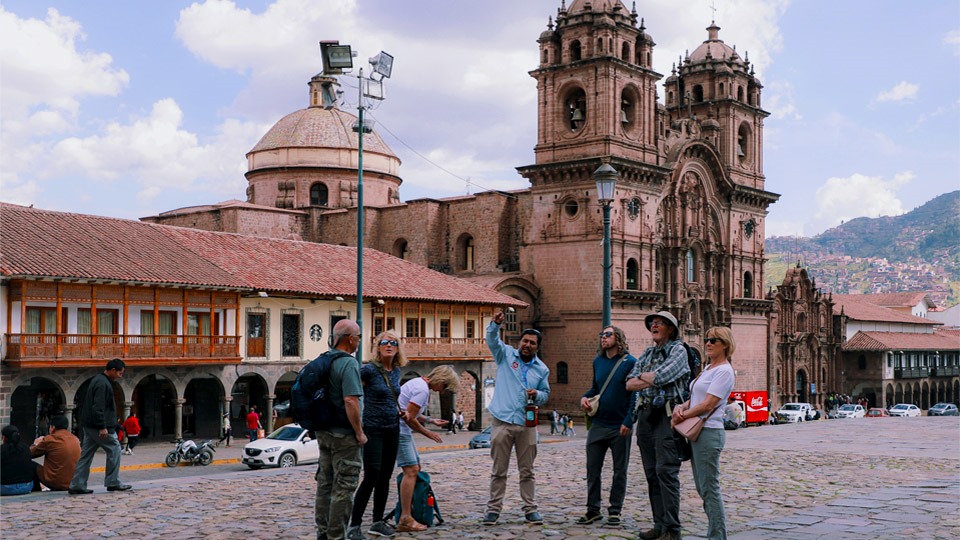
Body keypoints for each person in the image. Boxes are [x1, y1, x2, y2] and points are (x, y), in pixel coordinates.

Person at [626, 311, 691, 540]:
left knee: (666, 472)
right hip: (645, 416)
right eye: (652, 323)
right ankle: (659, 525)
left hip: (667, 416)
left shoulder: (678, 351)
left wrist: (644, 377)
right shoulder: (648, 352)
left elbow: (663, 377)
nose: (654, 325)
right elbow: (629, 384)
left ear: (670, 329)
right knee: (652, 473)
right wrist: (648, 377)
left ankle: (672, 530)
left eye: (659, 323)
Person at [482, 309, 550, 526]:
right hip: (502, 421)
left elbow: (546, 394)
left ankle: (530, 509)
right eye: (524, 341)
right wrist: (495, 324)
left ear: (537, 347)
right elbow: (492, 340)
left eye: (532, 343)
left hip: (526, 424)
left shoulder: (542, 370)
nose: (527, 345)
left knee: (527, 471)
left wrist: (536, 395)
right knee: (498, 470)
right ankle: (493, 510)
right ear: (519, 342)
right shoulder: (505, 355)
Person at [672, 327, 736, 540]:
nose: (708, 343)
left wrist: (683, 415)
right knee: (702, 487)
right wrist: (682, 406)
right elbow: (697, 396)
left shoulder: (724, 371)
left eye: (713, 340)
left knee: (709, 488)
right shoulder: (708, 368)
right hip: (698, 432)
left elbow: (709, 404)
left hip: (709, 433)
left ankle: (718, 536)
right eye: (707, 339)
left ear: (725, 344)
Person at [348, 332, 407, 540]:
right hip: (373, 429)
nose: (389, 345)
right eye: (384, 342)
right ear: (378, 348)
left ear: (398, 348)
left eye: (393, 342)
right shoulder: (369, 370)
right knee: (371, 475)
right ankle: (354, 525)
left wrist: (401, 411)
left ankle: (377, 522)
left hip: (393, 427)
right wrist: (357, 427)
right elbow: (352, 392)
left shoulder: (396, 371)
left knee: (384, 478)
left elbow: (393, 396)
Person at [577, 325, 638, 526]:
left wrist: (629, 420)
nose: (604, 337)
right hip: (598, 424)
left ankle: (615, 510)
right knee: (592, 470)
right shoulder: (598, 361)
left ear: (618, 338)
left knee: (620, 470)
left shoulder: (630, 362)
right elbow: (596, 387)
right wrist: (585, 397)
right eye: (602, 334)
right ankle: (593, 509)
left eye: (608, 334)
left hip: (619, 425)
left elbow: (634, 395)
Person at [315, 319, 367, 540]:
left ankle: (323, 532)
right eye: (359, 337)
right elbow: (351, 400)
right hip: (344, 435)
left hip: (324, 432)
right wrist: (359, 431)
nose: (359, 341)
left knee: (325, 485)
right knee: (343, 488)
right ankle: (337, 536)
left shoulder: (323, 360)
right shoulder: (349, 364)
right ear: (351, 338)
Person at [395, 365, 458, 532]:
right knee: (411, 470)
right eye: (445, 386)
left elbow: (412, 411)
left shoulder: (419, 384)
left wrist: (430, 420)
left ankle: (411, 509)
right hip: (400, 431)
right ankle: (405, 517)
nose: (443, 390)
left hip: (402, 431)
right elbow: (409, 418)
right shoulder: (422, 390)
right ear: (441, 380)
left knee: (415, 468)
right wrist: (427, 432)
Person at [69, 358, 132, 494]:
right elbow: (98, 407)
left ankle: (77, 484)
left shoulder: (97, 380)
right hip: (99, 427)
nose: (120, 377)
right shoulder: (103, 384)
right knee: (115, 449)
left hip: (89, 425)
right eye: (120, 374)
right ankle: (113, 481)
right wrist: (102, 426)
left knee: (86, 455)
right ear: (113, 370)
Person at [30, 414, 81, 491]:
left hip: (55, 482)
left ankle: (36, 489)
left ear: (52, 427)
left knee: (30, 465)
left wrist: (35, 444)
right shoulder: (75, 439)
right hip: (72, 482)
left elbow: (30, 454)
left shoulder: (50, 439)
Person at [1, 425, 35, 495]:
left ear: (3, 438)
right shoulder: (25, 447)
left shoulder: (2, 450)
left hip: (6, 488)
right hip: (27, 487)